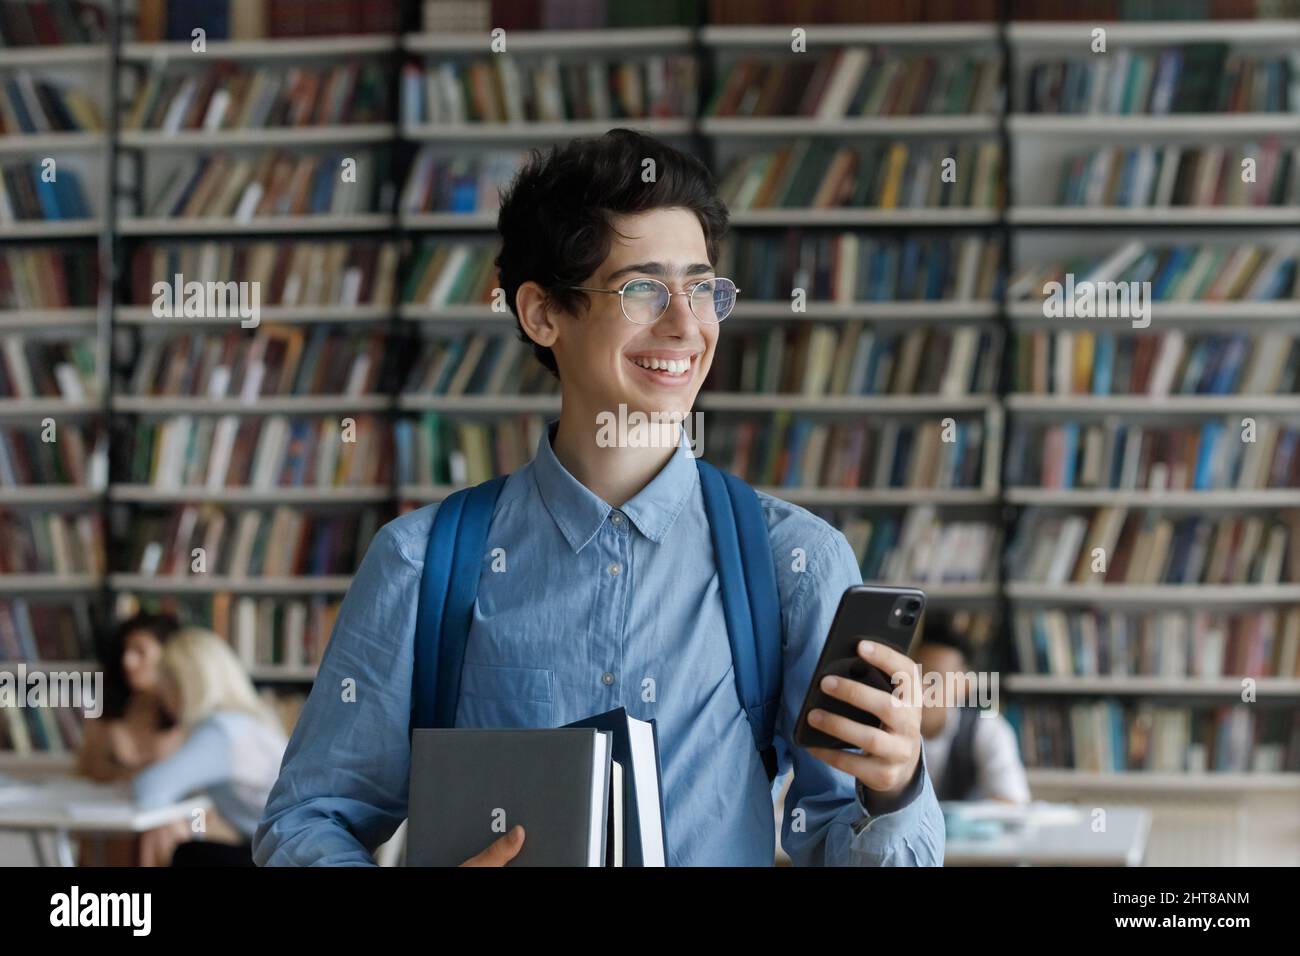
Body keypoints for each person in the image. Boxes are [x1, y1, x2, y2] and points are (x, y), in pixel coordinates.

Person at [255, 128, 944, 866]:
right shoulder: (420, 563)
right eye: (644, 288)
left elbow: (839, 839)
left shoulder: (793, 561)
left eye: (703, 287)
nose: (686, 325)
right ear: (542, 313)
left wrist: (894, 790)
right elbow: (305, 822)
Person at [130, 627, 288, 866]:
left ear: (183, 686)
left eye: (166, 688)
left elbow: (149, 789)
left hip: (278, 858)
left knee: (187, 853)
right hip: (288, 851)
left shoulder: (221, 731)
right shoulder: (248, 722)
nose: (164, 700)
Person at [915, 612, 1030, 805]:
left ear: (965, 686)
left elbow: (1012, 802)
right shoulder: (884, 726)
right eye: (916, 674)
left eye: (936, 679)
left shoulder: (988, 729)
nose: (921, 687)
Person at [78, 611, 185, 783]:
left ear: (169, 656)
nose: (127, 661)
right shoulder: (105, 712)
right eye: (124, 651)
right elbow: (85, 773)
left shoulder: (188, 712)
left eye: (140, 651)